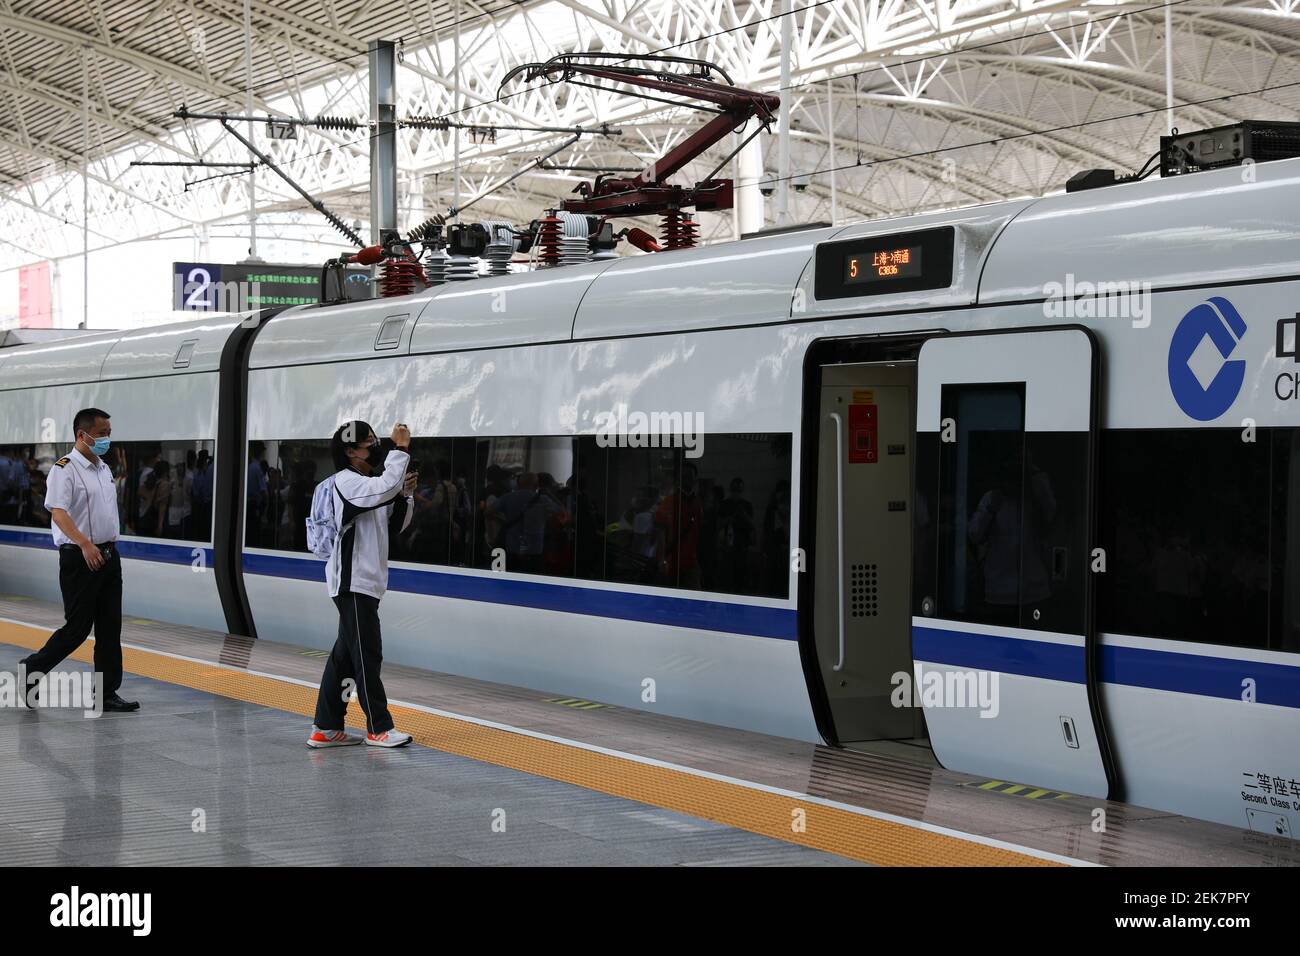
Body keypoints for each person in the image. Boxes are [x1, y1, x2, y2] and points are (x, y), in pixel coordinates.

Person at [19, 408, 139, 713]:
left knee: (110, 628)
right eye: (101, 433)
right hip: (80, 557)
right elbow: (57, 512)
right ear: (81, 435)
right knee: (77, 628)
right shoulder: (65, 468)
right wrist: (85, 544)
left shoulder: (104, 469)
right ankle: (31, 669)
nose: (106, 439)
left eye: (109, 432)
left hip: (109, 556)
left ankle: (106, 693)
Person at [307, 420, 417, 749]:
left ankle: (325, 728)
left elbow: (394, 523)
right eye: (370, 445)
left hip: (364, 584)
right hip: (353, 584)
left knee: (344, 656)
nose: (377, 450)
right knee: (367, 655)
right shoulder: (347, 483)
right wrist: (400, 451)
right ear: (350, 451)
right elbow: (384, 488)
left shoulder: (367, 485)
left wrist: (406, 495)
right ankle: (378, 728)